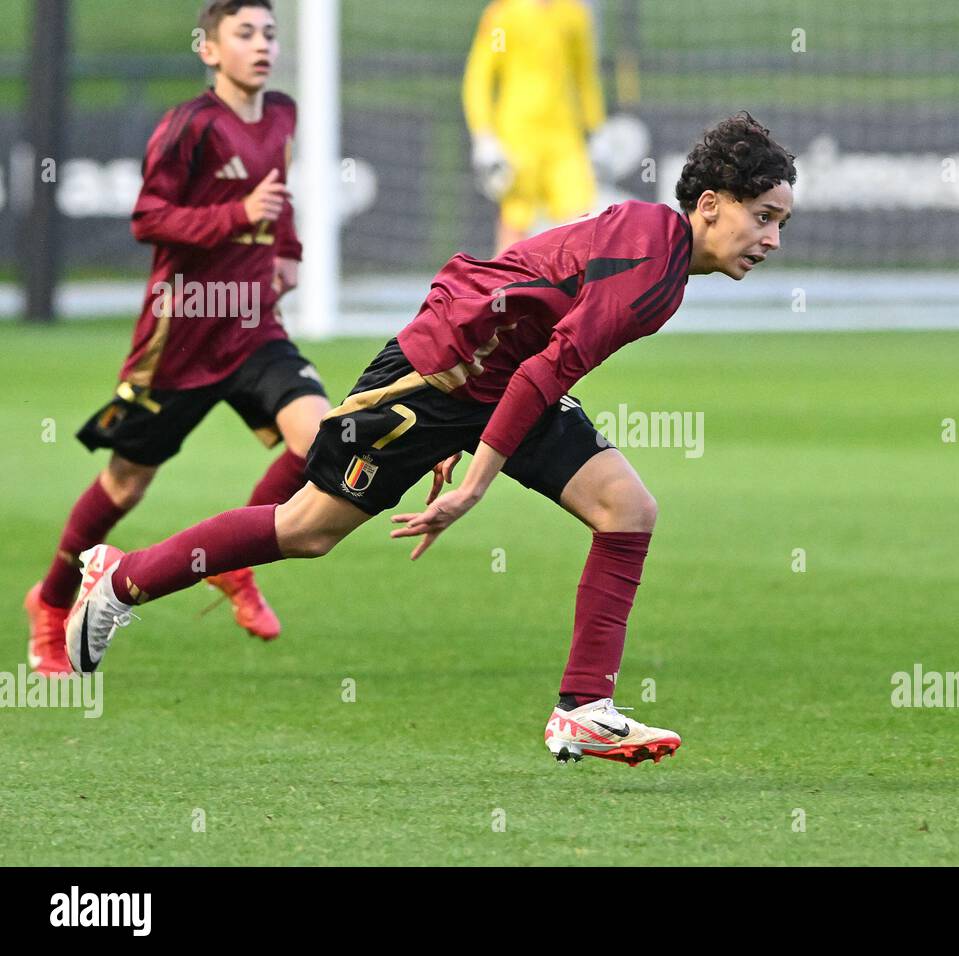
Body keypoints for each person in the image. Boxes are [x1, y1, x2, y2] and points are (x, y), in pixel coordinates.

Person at [67, 112, 796, 766]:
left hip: (494, 379)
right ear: (709, 205)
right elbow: (541, 364)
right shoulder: (650, 267)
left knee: (627, 509)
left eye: (780, 225)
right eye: (763, 217)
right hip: (433, 378)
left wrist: (476, 421)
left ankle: (583, 711)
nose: (770, 239)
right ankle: (121, 580)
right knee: (308, 530)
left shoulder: (661, 256)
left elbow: (520, 311)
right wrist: (473, 481)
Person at [23, 0, 330, 674]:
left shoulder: (281, 112)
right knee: (127, 486)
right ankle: (49, 602)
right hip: (181, 336)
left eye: (270, 34)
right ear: (210, 50)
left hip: (255, 327)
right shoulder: (189, 126)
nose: (261, 45)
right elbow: (148, 218)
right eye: (244, 33)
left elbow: (280, 196)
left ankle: (234, 564)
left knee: (322, 441)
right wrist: (235, 215)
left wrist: (289, 253)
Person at [463, 0, 607, 255]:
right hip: (517, 139)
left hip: (565, 140)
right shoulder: (502, 15)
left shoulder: (574, 14)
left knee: (581, 225)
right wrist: (483, 135)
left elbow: (585, 77)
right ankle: (503, 292)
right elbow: (479, 78)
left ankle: (571, 294)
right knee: (514, 229)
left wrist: (597, 128)